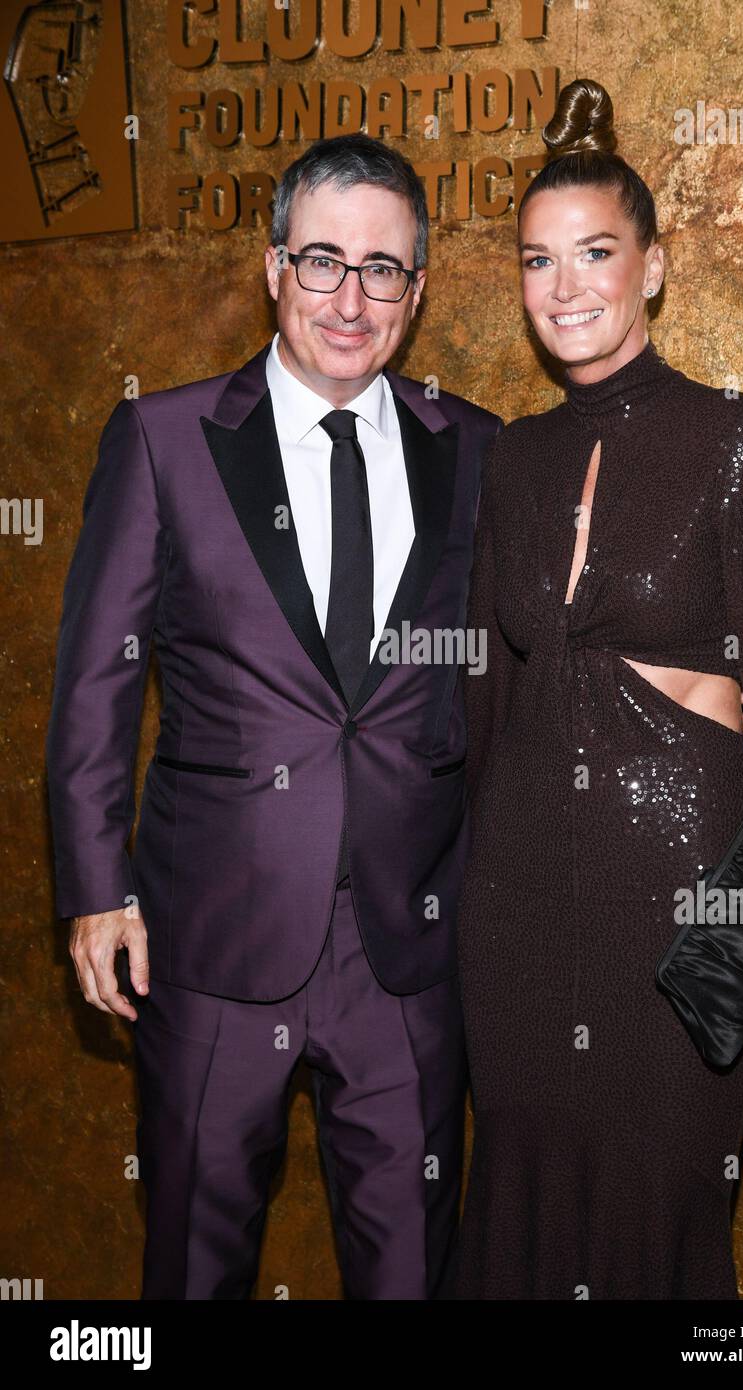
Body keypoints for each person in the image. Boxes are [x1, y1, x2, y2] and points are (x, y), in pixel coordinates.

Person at [45, 132, 502, 1300]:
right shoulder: (163, 441)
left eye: (383, 269)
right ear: (270, 268)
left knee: (412, 1274)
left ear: (417, 286)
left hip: (408, 954)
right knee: (193, 1270)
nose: (351, 299)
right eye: (322, 262)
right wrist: (97, 890)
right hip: (208, 946)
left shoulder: (480, 453)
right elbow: (96, 680)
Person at [454, 77, 743, 1300]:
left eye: (593, 251)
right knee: (519, 1199)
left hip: (681, 904)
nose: (564, 284)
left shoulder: (737, 437)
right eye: (537, 259)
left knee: (657, 1204)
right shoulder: (511, 461)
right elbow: (484, 700)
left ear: (653, 265)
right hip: (516, 901)